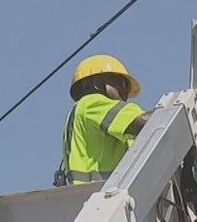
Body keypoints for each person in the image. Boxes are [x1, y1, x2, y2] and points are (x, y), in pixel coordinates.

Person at [54, 54, 151, 186]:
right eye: (122, 83)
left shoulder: (83, 113)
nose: (125, 91)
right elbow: (146, 123)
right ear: (98, 83)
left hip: (92, 196)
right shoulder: (92, 103)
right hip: (104, 192)